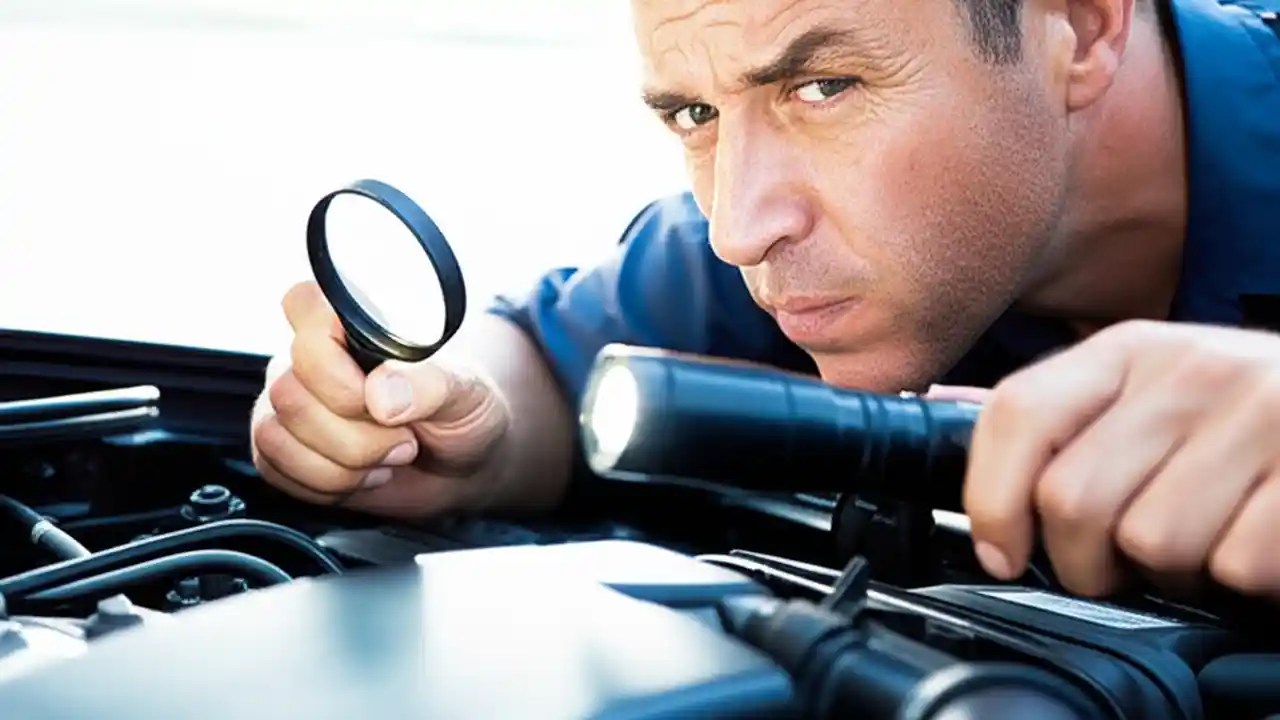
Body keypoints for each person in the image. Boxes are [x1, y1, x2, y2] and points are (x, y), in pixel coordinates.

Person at [251, 0, 1280, 601]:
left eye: (822, 87)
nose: (737, 228)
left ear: (1082, 29)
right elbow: (537, 365)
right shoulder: (832, 239)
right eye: (694, 114)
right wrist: (444, 429)